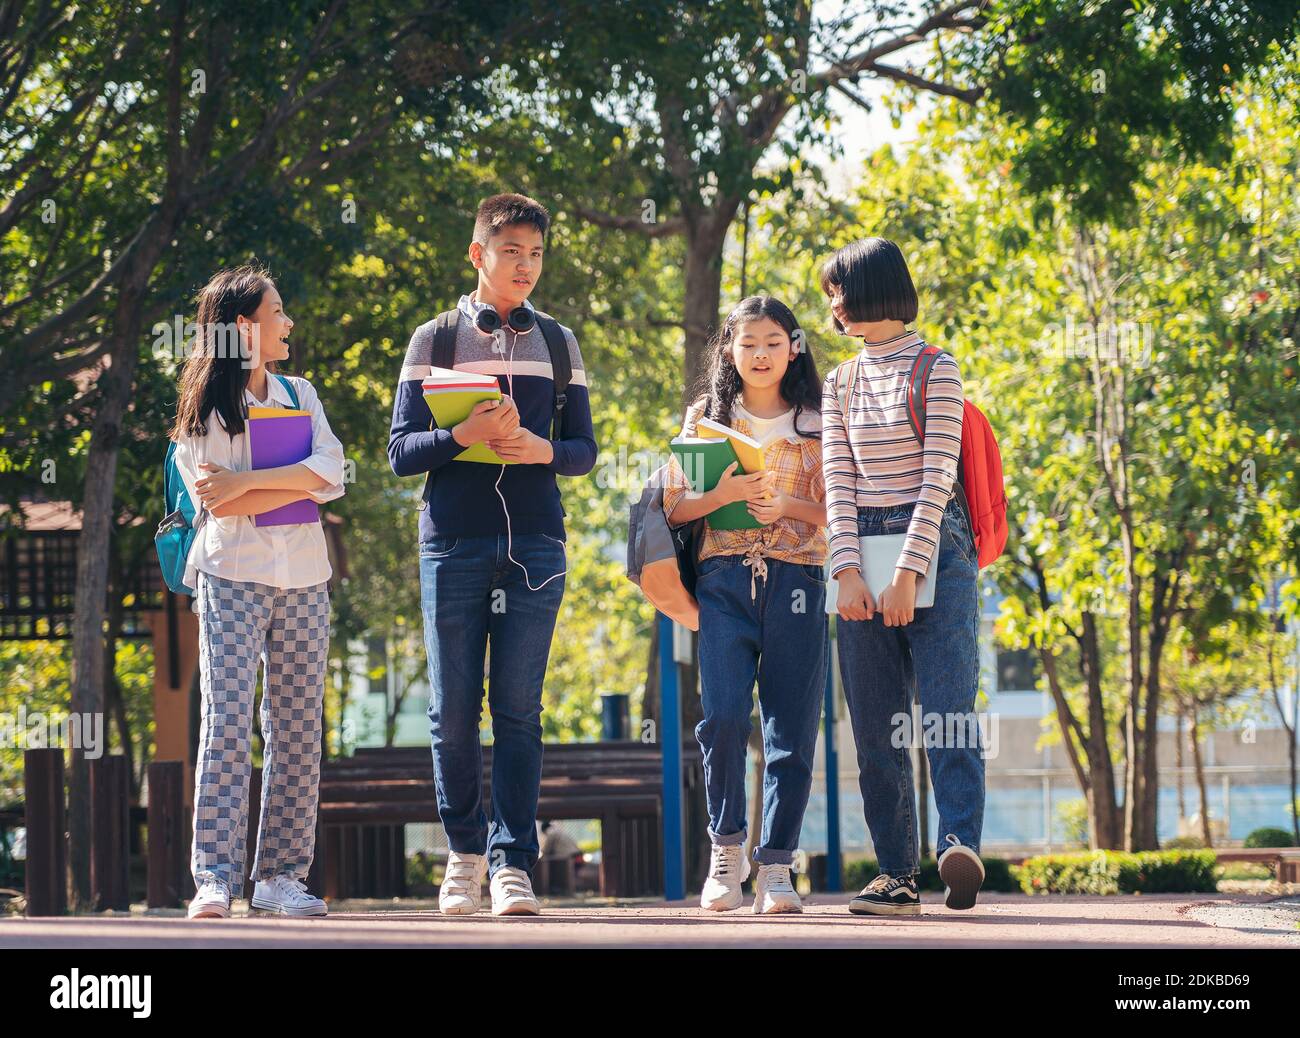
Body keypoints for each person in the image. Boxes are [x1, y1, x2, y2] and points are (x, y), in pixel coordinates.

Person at [388, 193, 596, 916]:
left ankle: (513, 863)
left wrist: (543, 449)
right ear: (478, 255)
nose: (526, 266)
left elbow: (584, 452)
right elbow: (399, 453)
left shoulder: (560, 344)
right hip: (451, 543)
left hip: (537, 544)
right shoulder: (434, 341)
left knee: (518, 709)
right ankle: (465, 856)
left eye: (536, 253)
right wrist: (461, 438)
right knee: (451, 711)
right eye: (512, 252)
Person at [171, 265, 345, 919]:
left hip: (304, 576)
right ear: (245, 326)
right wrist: (281, 482)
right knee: (225, 726)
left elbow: (331, 474)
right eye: (279, 311)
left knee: (297, 730)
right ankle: (213, 877)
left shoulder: (300, 391)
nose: (289, 322)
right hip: (230, 574)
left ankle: (279, 878)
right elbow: (210, 497)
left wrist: (248, 485)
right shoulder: (204, 408)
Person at [820, 238, 985, 915]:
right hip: (860, 549)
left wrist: (909, 572)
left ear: (873, 290)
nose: (831, 307)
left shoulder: (936, 369)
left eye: (838, 293)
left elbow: (937, 478)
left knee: (947, 711)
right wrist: (850, 570)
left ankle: (957, 848)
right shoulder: (840, 381)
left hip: (935, 548)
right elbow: (838, 479)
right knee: (877, 728)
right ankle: (895, 873)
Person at [663, 295, 828, 914]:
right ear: (729, 348)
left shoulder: (818, 419)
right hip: (722, 581)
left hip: (798, 581)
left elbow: (844, 513)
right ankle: (726, 851)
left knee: (791, 728)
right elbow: (673, 507)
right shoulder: (705, 416)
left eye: (773, 342)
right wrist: (721, 494)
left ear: (793, 347)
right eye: (748, 342)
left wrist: (787, 507)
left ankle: (777, 867)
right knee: (724, 716)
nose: (761, 354)